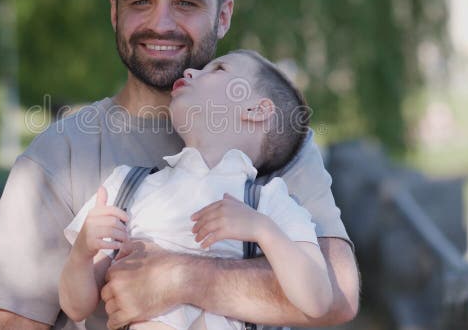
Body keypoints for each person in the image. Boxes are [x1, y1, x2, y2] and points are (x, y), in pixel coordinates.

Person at [0, 0, 359, 329]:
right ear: (115, 11)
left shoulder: (272, 139)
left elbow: (335, 298)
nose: (160, 24)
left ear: (223, 15)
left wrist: (181, 277)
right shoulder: (58, 156)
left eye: (186, 3)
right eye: (141, 2)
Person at [59, 50, 333, 329]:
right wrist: (81, 253)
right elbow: (76, 306)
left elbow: (318, 300)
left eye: (218, 69)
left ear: (256, 110)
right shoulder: (126, 186)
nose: (190, 72)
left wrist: (263, 231)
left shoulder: (271, 203)